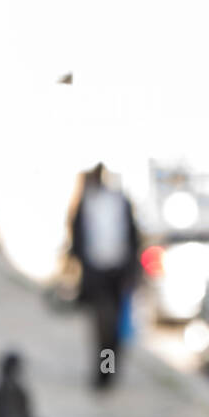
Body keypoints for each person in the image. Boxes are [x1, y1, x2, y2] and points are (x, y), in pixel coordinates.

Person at [69, 164, 140, 388]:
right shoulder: (86, 203)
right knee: (103, 327)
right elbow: (78, 236)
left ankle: (108, 372)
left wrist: (131, 272)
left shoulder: (120, 202)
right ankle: (104, 373)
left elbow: (132, 238)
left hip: (117, 275)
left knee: (113, 331)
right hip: (96, 275)